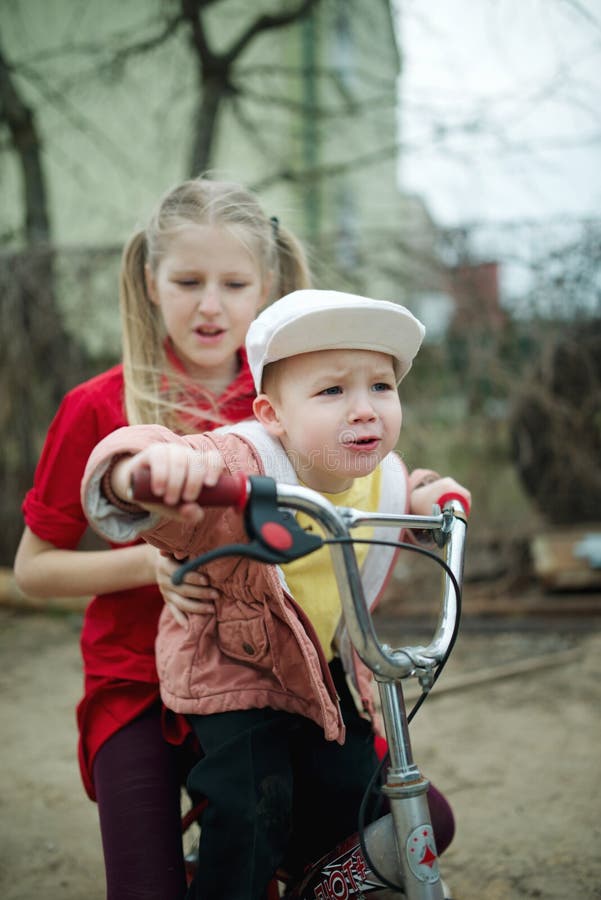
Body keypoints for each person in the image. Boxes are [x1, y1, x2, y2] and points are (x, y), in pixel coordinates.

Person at [80, 289, 471, 900]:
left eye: (382, 387)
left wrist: (424, 499)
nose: (365, 410)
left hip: (320, 678)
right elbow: (161, 461)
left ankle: (318, 887)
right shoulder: (244, 459)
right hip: (233, 677)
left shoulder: (381, 477)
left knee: (371, 801)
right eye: (332, 391)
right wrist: (144, 471)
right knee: (253, 812)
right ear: (271, 413)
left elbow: (402, 487)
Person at [13, 177, 312, 900]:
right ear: (150, 281)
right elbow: (33, 569)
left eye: (234, 282)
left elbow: (347, 501)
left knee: (408, 826)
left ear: (265, 285)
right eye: (186, 280)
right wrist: (151, 563)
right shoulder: (95, 406)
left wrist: (409, 487)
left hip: (261, 678)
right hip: (134, 682)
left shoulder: (293, 402)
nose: (209, 304)